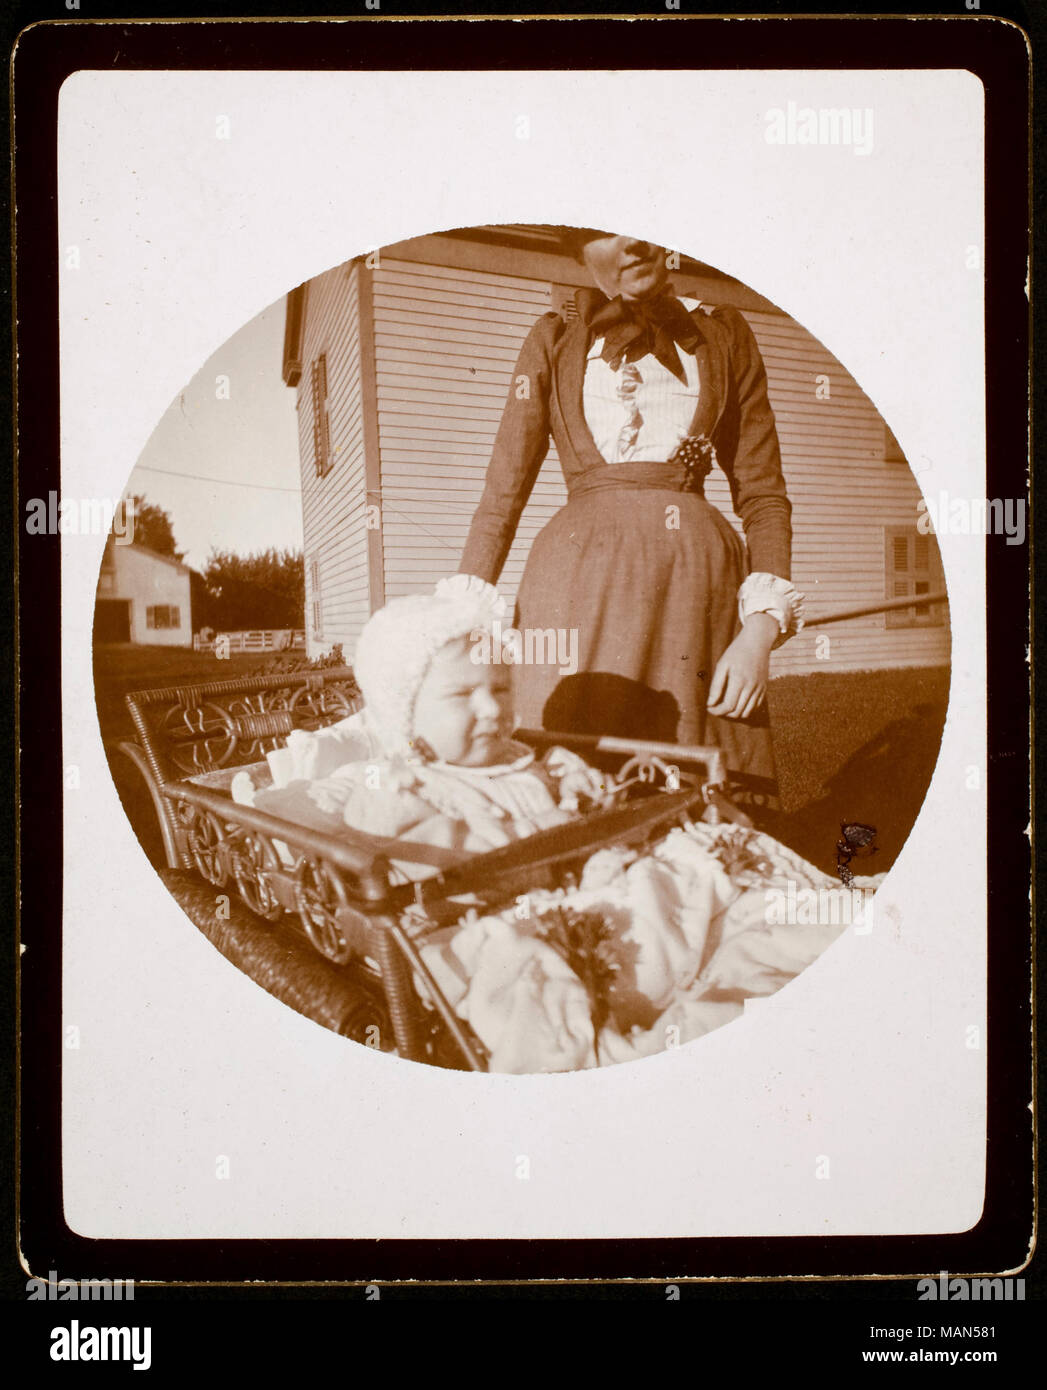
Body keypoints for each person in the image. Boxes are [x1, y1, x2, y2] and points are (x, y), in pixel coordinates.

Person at [231, 579, 868, 1074]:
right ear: (406, 715)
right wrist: (392, 808)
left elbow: (592, 810)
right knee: (535, 977)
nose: (491, 710)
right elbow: (307, 811)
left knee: (697, 883)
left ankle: (764, 961)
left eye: (501, 689)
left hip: (590, 881)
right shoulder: (398, 780)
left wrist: (587, 797)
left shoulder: (531, 759)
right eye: (462, 696)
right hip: (500, 914)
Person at [458, 228, 805, 808]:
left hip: (695, 593)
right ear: (579, 254)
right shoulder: (554, 341)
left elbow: (763, 493)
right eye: (602, 233)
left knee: (701, 792)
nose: (634, 246)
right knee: (577, 784)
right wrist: (457, 619)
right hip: (575, 586)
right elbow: (502, 495)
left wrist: (759, 634)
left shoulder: (721, 335)